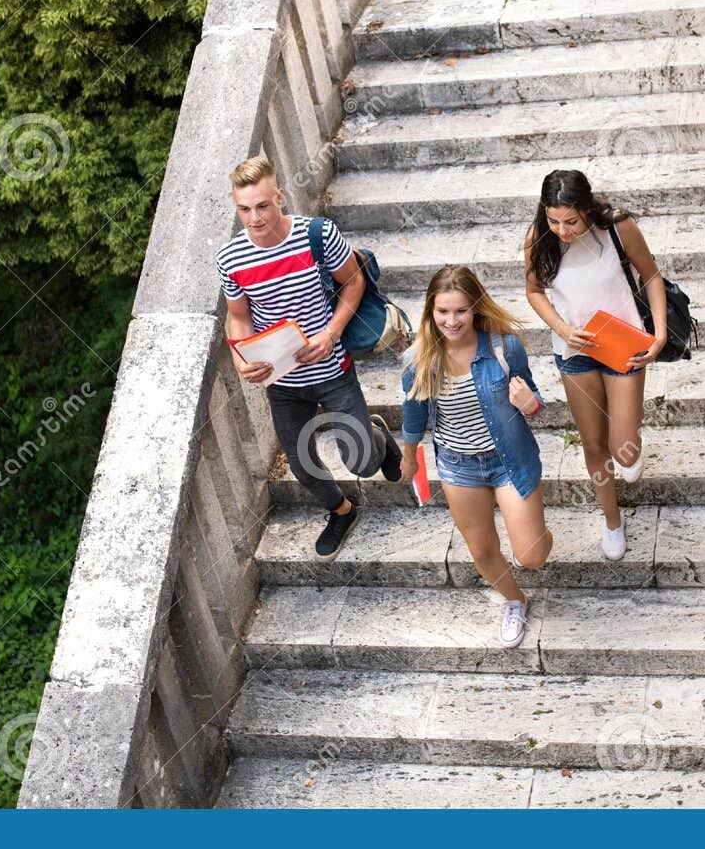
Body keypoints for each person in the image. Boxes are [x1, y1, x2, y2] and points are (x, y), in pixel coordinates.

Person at [219, 157, 401, 560]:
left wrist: (330, 332)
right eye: (244, 209)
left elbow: (353, 282)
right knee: (303, 466)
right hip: (281, 382)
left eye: (262, 206)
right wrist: (239, 359)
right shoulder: (231, 259)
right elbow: (238, 317)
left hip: (331, 367)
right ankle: (342, 511)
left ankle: (378, 438)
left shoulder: (316, 235)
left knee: (363, 463)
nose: (254, 218)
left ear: (279, 197)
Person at [398, 265, 552, 648]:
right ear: (430, 312)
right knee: (482, 550)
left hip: (508, 459)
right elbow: (414, 412)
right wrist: (409, 456)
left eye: (461, 311)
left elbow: (534, 402)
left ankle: (529, 532)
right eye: (443, 312)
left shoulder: (503, 347)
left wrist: (530, 403)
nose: (452, 321)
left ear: (476, 308)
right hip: (458, 465)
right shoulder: (419, 360)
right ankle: (515, 601)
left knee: (532, 555)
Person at [523, 169, 667, 561]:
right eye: (553, 220)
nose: (562, 230)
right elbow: (534, 290)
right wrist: (562, 329)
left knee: (622, 449)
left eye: (570, 220)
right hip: (574, 352)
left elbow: (652, 275)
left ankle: (631, 452)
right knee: (592, 443)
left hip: (623, 346)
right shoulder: (539, 239)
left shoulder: (619, 227)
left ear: (587, 208)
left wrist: (660, 335)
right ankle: (612, 522)